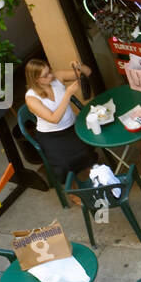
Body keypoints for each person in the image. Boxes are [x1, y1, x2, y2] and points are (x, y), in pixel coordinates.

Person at [22, 57, 97, 199]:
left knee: (87, 151)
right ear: (36, 80)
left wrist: (79, 66)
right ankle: (74, 193)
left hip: (71, 126)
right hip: (51, 136)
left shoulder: (57, 77)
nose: (50, 75)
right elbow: (54, 119)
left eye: (49, 71)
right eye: (45, 75)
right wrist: (67, 94)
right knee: (65, 165)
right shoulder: (31, 98)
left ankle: (95, 179)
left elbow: (88, 72)